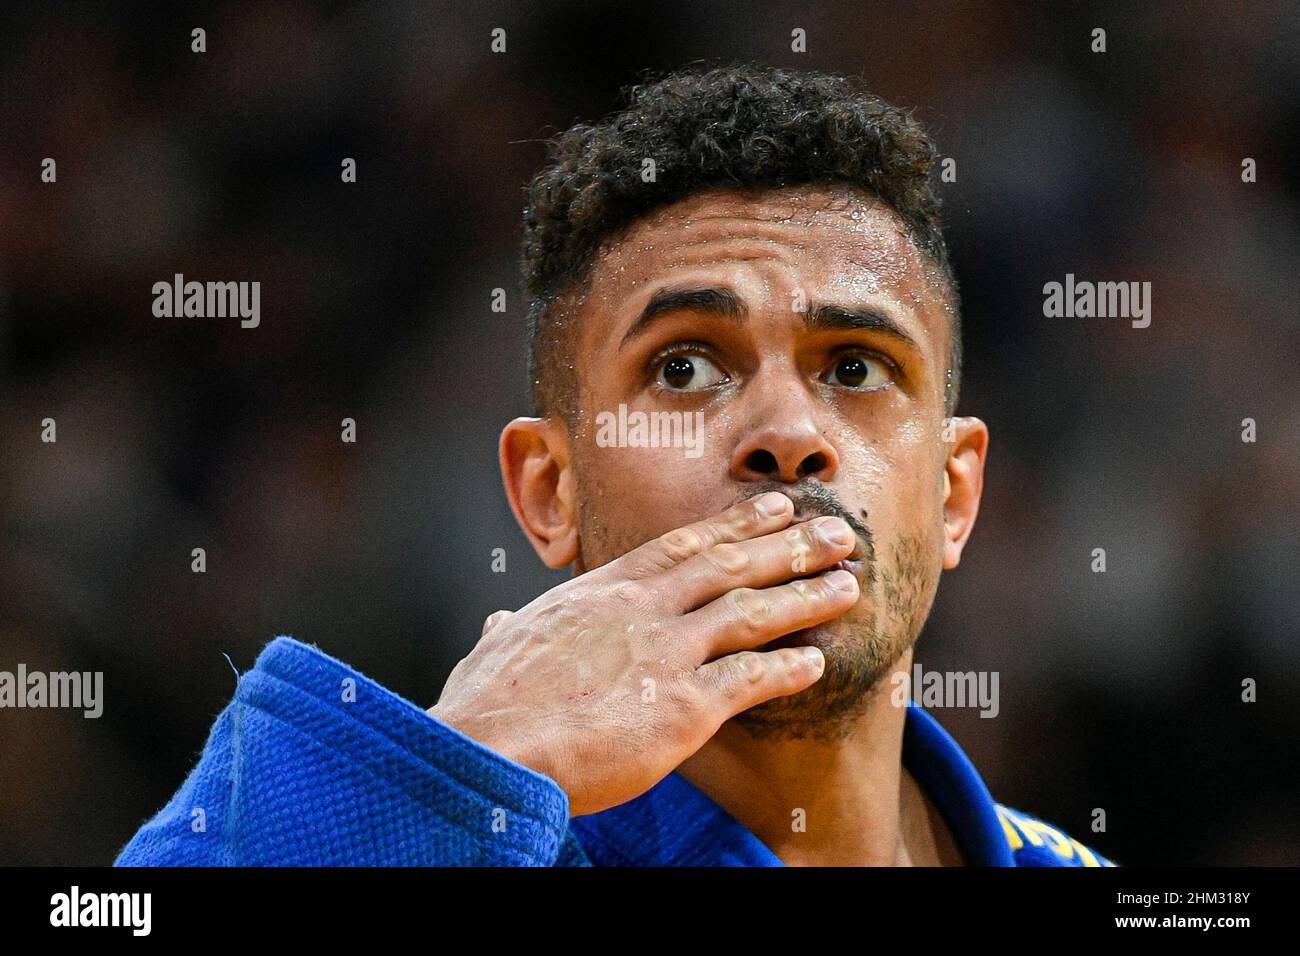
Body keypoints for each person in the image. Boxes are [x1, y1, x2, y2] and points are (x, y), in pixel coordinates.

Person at [116, 63, 1116, 867]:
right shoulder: (445, 838)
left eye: (855, 365)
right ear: (549, 491)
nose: (784, 429)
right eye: (682, 366)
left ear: (953, 491)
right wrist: (454, 771)